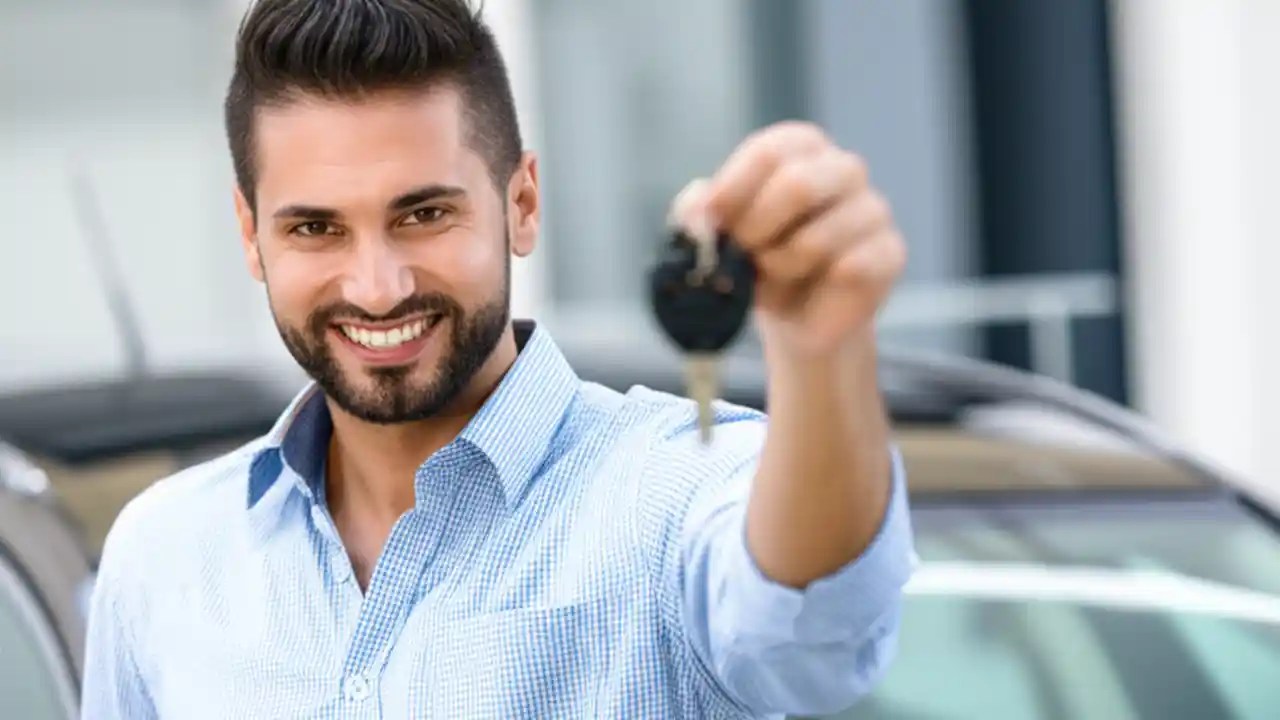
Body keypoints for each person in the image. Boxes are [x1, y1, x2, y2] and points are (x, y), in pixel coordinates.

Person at [81, 1, 916, 718]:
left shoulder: (673, 491)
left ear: (522, 203)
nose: (376, 288)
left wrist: (821, 351)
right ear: (250, 234)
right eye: (315, 228)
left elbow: (813, 630)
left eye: (423, 215)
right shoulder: (163, 555)